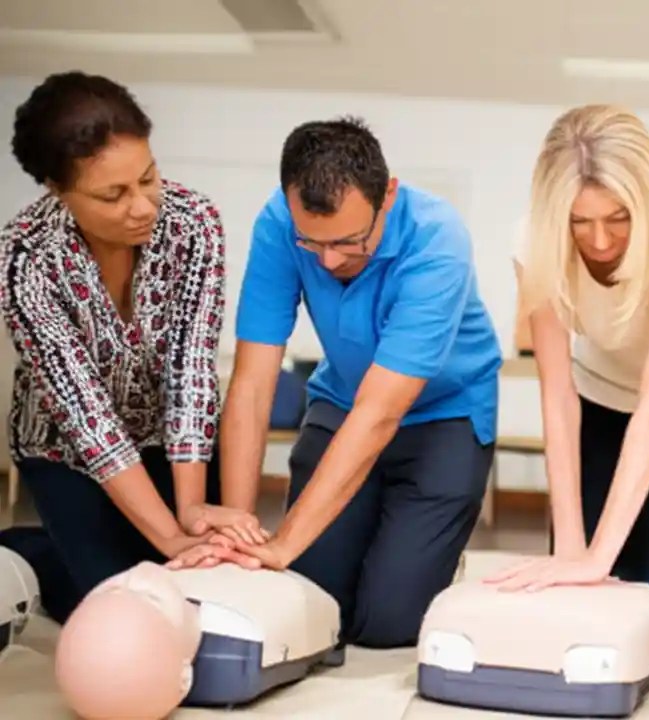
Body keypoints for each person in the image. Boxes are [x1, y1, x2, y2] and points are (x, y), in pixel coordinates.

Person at [181, 116, 502, 649]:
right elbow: (254, 382)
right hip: (340, 404)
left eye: (350, 241)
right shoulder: (279, 224)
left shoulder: (437, 239)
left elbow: (380, 415)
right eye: (314, 243)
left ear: (388, 195)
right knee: (317, 602)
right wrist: (237, 526)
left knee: (386, 625)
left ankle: (434, 559)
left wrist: (282, 544)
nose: (329, 261)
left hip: (444, 418)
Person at [0, 72, 260, 623]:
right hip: (66, 451)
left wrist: (190, 514)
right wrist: (168, 538)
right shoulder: (23, 258)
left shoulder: (193, 224)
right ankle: (35, 551)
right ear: (55, 188)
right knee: (117, 605)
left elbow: (192, 371)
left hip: (167, 439)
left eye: (148, 178)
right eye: (113, 194)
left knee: (199, 590)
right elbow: (87, 420)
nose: (142, 206)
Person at [484, 104, 649, 671]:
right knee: (581, 594)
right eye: (578, 220)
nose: (598, 239)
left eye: (618, 218)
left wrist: (597, 558)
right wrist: (572, 547)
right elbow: (556, 394)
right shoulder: (534, 242)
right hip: (596, 396)